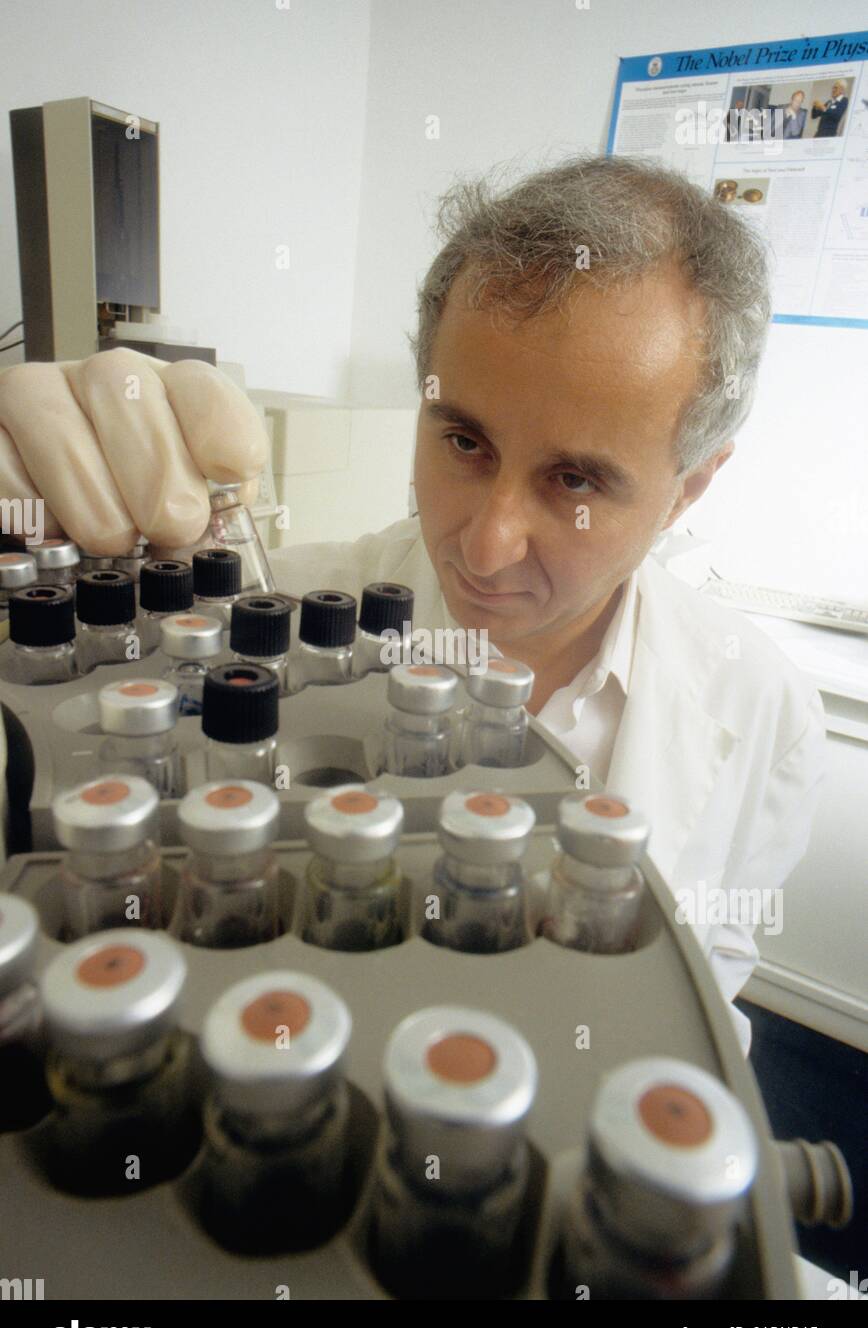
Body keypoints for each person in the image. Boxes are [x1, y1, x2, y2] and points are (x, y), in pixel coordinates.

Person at [0, 154, 827, 1053]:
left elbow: (714, 960)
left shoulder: (765, 709)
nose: (485, 547)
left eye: (576, 480)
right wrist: (49, 517)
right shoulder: (275, 612)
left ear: (688, 489)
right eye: (465, 441)